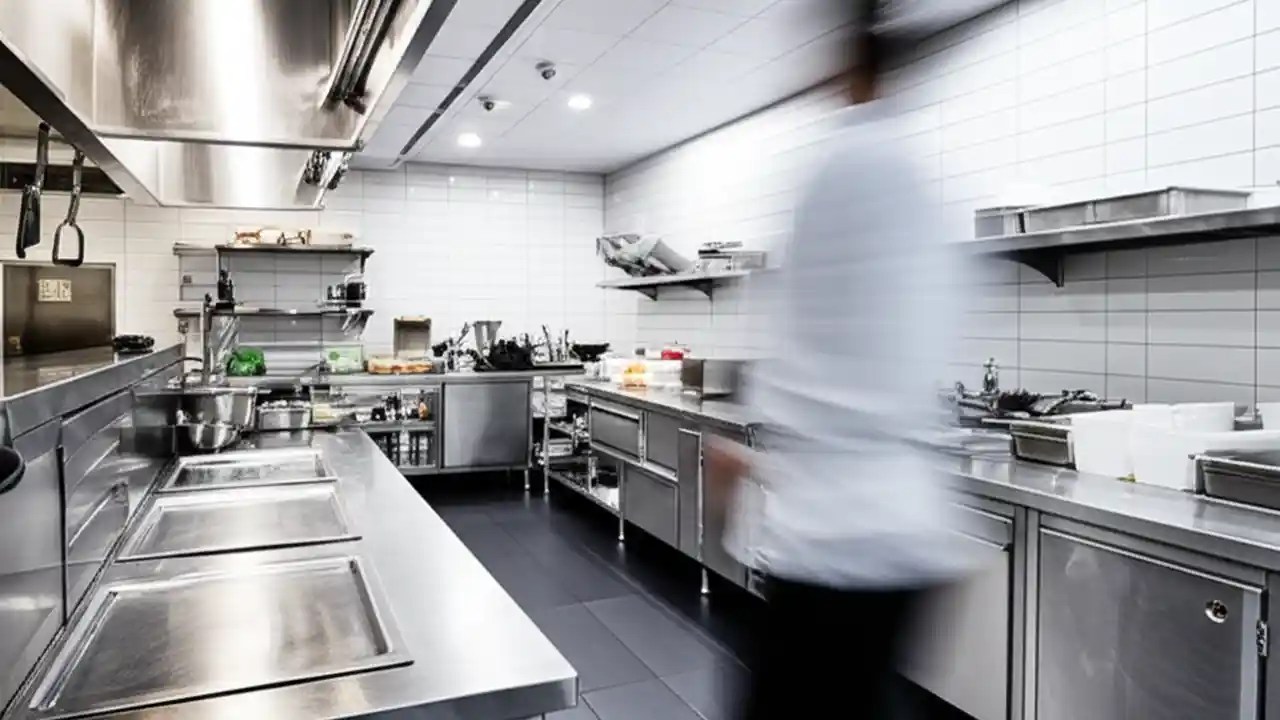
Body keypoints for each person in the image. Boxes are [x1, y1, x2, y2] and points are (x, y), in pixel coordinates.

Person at [707, 2, 977, 718]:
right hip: (907, 523)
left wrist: (751, 456)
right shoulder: (924, 179)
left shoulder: (842, 163)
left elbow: (810, 340)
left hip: (832, 533)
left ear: (847, 63)